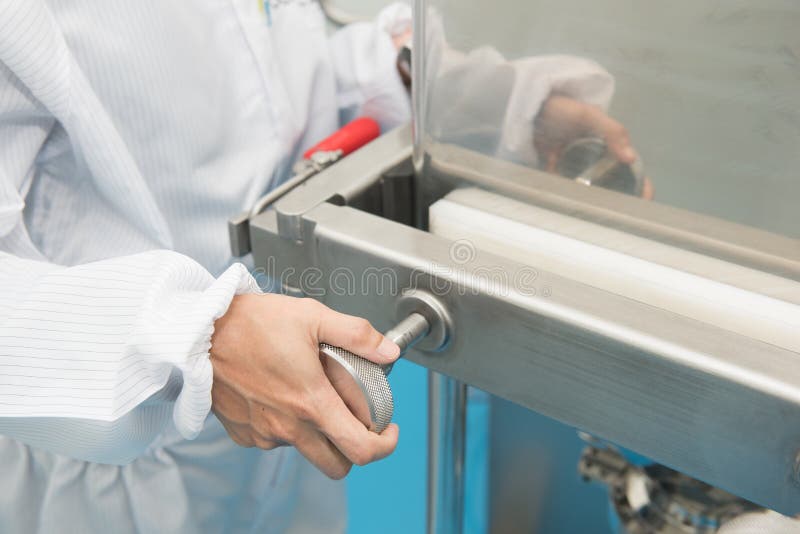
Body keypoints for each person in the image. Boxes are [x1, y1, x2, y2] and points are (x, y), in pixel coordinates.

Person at [0, 1, 641, 532]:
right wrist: (193, 339)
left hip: (281, 437)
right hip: (107, 480)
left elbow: (268, 87)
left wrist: (476, 100)